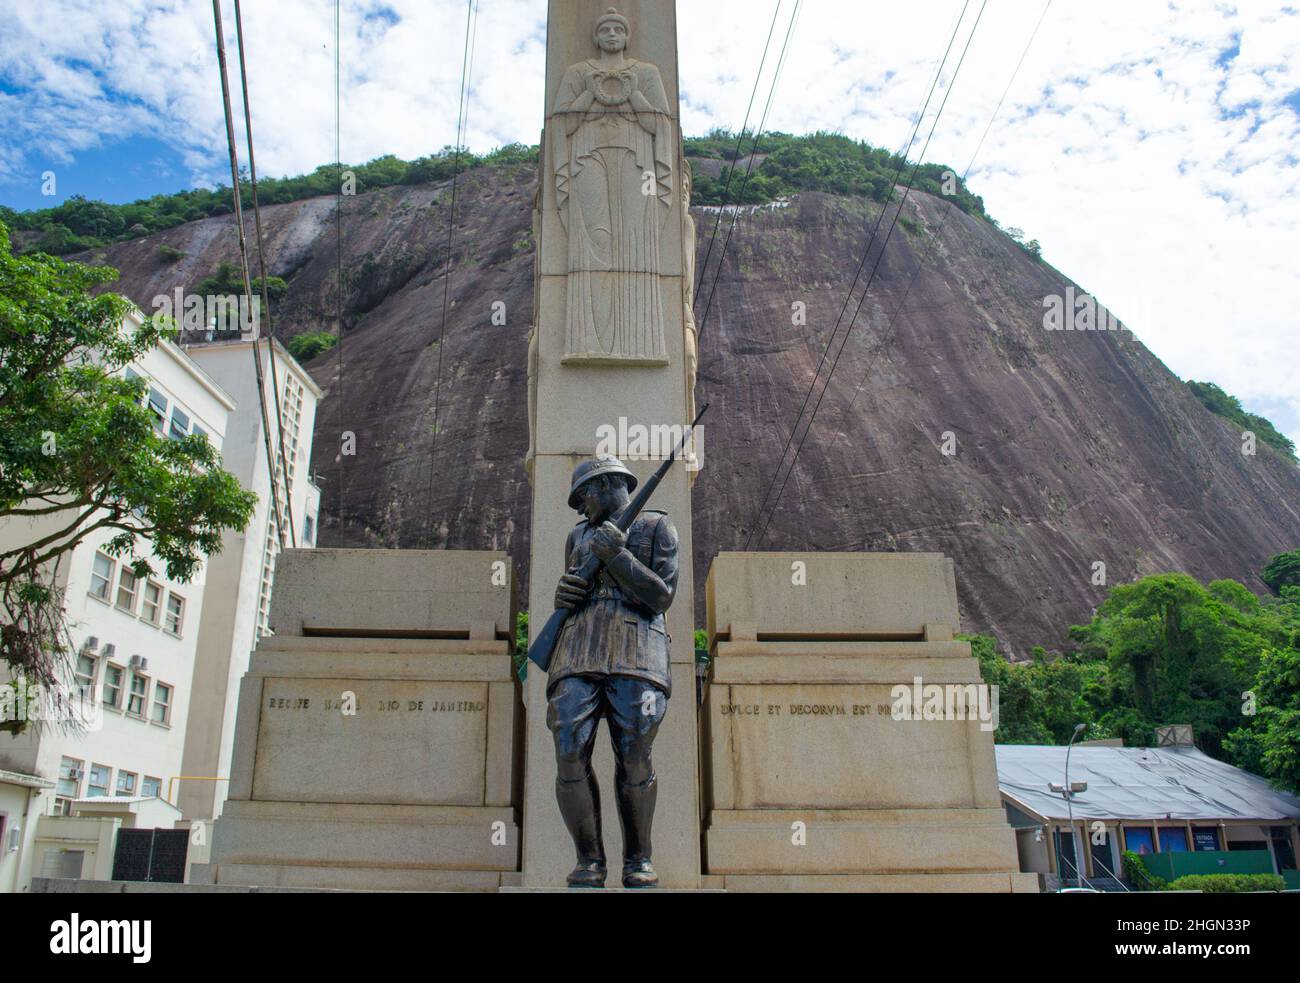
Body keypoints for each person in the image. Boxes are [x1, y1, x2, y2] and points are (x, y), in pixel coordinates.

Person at [546, 454, 679, 888]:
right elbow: (572, 591)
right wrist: (564, 593)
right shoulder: (576, 535)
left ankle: (638, 860)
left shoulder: (658, 526)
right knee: (568, 747)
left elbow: (660, 597)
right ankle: (589, 862)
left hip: (637, 650)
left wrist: (618, 558)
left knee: (635, 753)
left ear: (605, 486)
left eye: (582, 495)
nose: (579, 507)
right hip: (578, 649)